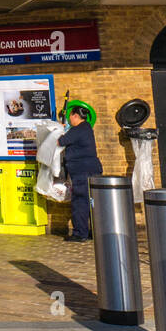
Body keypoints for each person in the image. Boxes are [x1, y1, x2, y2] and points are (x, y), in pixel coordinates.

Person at [59, 104, 102, 242]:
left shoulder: (78, 129)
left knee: (80, 201)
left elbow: (61, 141)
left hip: (82, 171)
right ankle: (94, 231)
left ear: (75, 116)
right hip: (91, 169)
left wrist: (61, 130)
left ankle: (80, 233)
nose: (69, 119)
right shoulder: (87, 128)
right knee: (92, 201)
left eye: (70, 116)